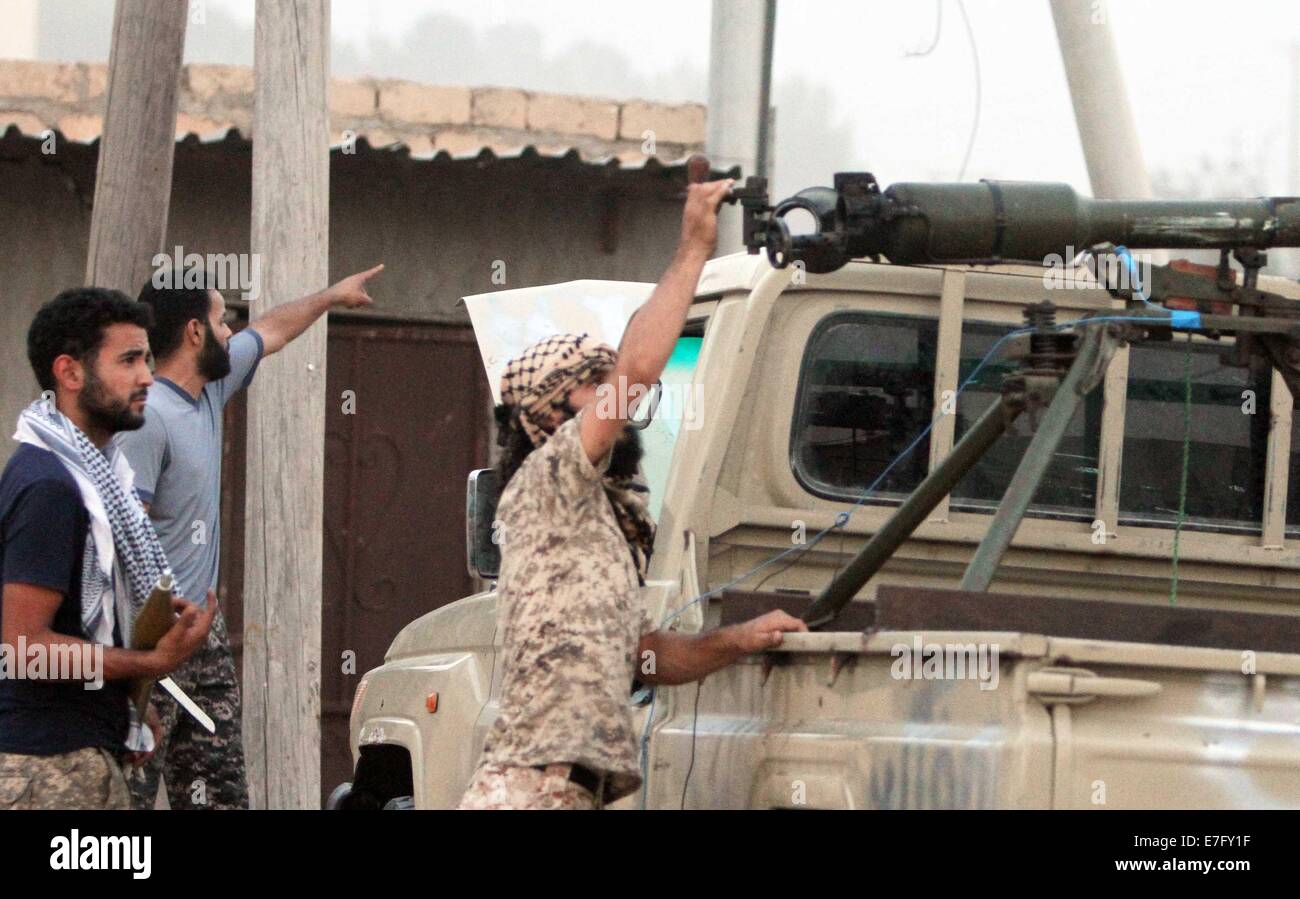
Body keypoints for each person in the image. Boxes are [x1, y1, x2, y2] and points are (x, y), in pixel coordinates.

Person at [458, 180, 806, 811]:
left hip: (566, 791)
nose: (623, 400)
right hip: (530, 789)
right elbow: (639, 371)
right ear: (554, 410)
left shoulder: (598, 522)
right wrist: (693, 248)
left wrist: (741, 639)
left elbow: (642, 659)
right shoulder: (549, 481)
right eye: (596, 386)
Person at [118, 263, 383, 809]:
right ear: (193, 332)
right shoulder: (148, 420)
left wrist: (330, 296)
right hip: (146, 638)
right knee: (128, 798)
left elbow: (272, 330)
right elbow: (125, 537)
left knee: (221, 795)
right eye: (220, 322)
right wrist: (137, 658)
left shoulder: (210, 386)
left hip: (202, 636)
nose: (230, 333)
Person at [0, 287, 215, 810]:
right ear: (70, 373)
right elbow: (21, 649)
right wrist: (145, 661)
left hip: (82, 756)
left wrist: (134, 703)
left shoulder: (100, 479)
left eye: (146, 358)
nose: (147, 377)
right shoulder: (51, 487)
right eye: (129, 360)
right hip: (44, 769)